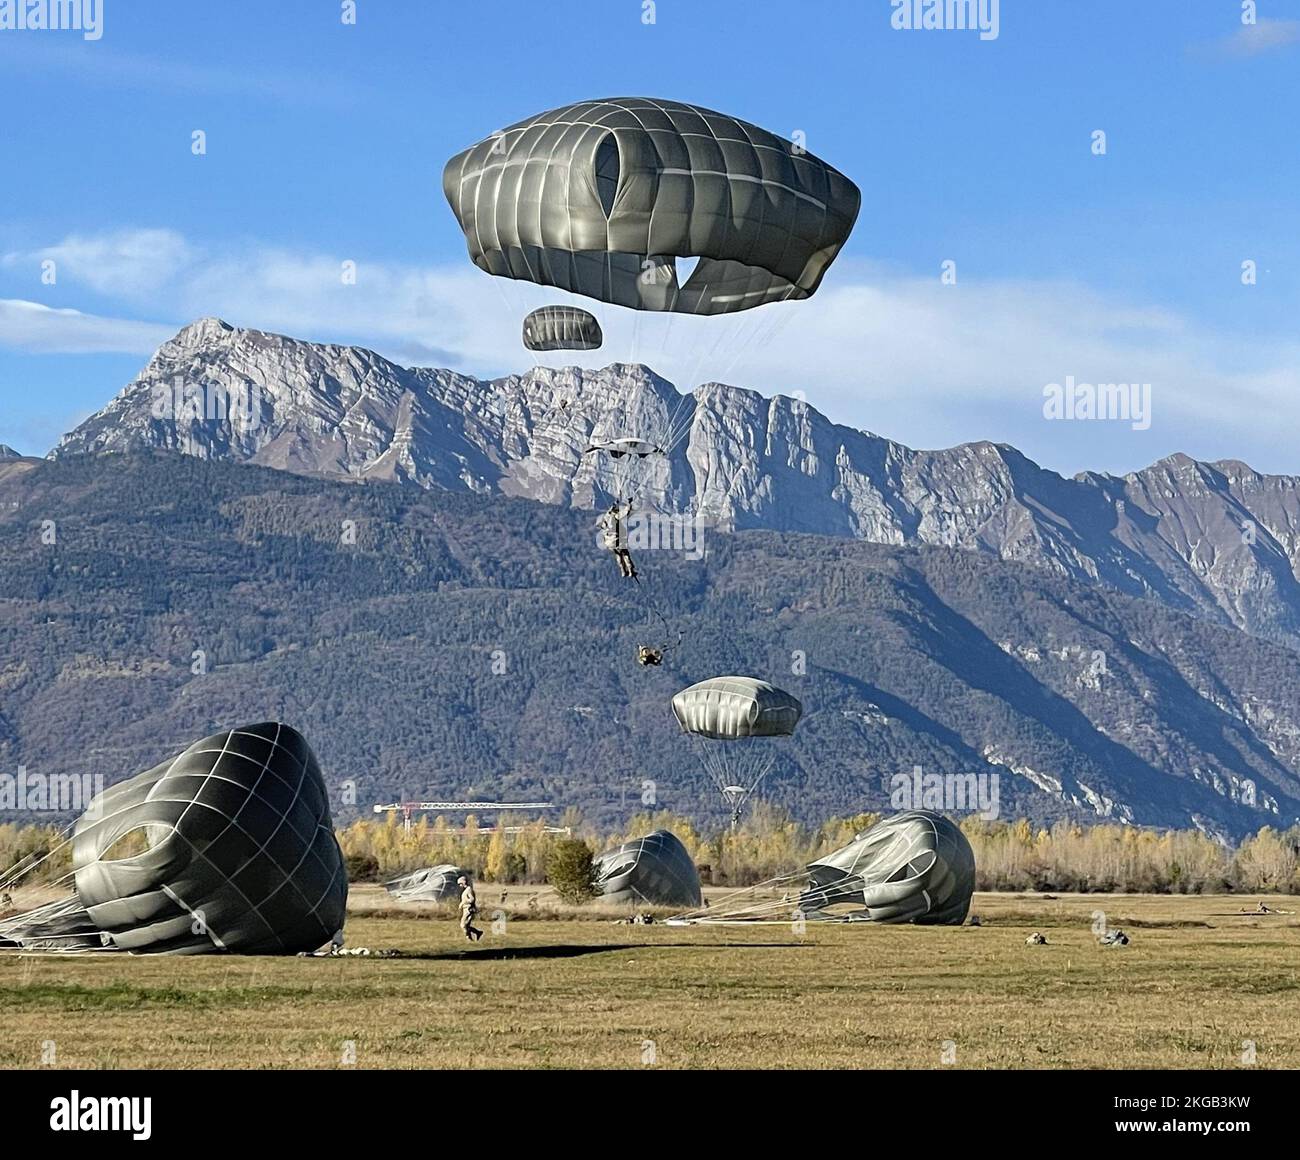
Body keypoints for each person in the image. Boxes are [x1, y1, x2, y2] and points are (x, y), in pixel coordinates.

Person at [597, 500, 637, 579]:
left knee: (618, 554)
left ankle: (623, 571)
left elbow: (601, 525)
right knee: (625, 553)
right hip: (616, 540)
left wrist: (615, 504)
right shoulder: (615, 516)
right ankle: (630, 571)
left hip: (608, 542)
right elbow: (626, 512)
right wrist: (629, 504)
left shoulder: (606, 516)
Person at [457, 874, 483, 942]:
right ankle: (476, 934)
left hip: (468, 910)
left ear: (463, 882)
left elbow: (472, 899)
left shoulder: (469, 890)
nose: (459, 885)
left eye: (460, 884)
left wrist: (463, 903)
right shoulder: (466, 890)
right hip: (465, 909)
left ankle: (469, 937)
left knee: (463, 925)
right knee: (466, 926)